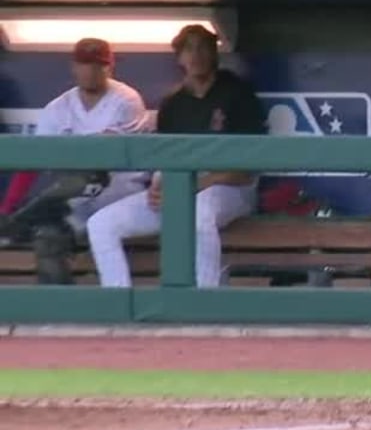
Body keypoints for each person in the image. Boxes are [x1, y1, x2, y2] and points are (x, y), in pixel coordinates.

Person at [86, 25, 265, 289]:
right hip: (182, 189)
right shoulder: (173, 103)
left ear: (215, 52)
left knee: (199, 212)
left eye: (203, 46)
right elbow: (165, 159)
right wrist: (159, 187)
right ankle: (119, 300)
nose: (196, 54)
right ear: (179, 57)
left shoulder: (238, 93)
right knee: (101, 223)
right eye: (188, 48)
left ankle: (204, 300)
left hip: (232, 190)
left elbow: (247, 169)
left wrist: (190, 186)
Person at [0, 38, 149, 284]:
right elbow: (32, 163)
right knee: (48, 235)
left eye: (98, 65)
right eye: (85, 64)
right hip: (76, 205)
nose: (91, 71)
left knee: (88, 175)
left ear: (110, 68)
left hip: (121, 199)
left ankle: (25, 217)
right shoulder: (58, 108)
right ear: (74, 67)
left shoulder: (126, 99)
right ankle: (58, 306)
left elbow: (103, 155)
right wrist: (7, 207)